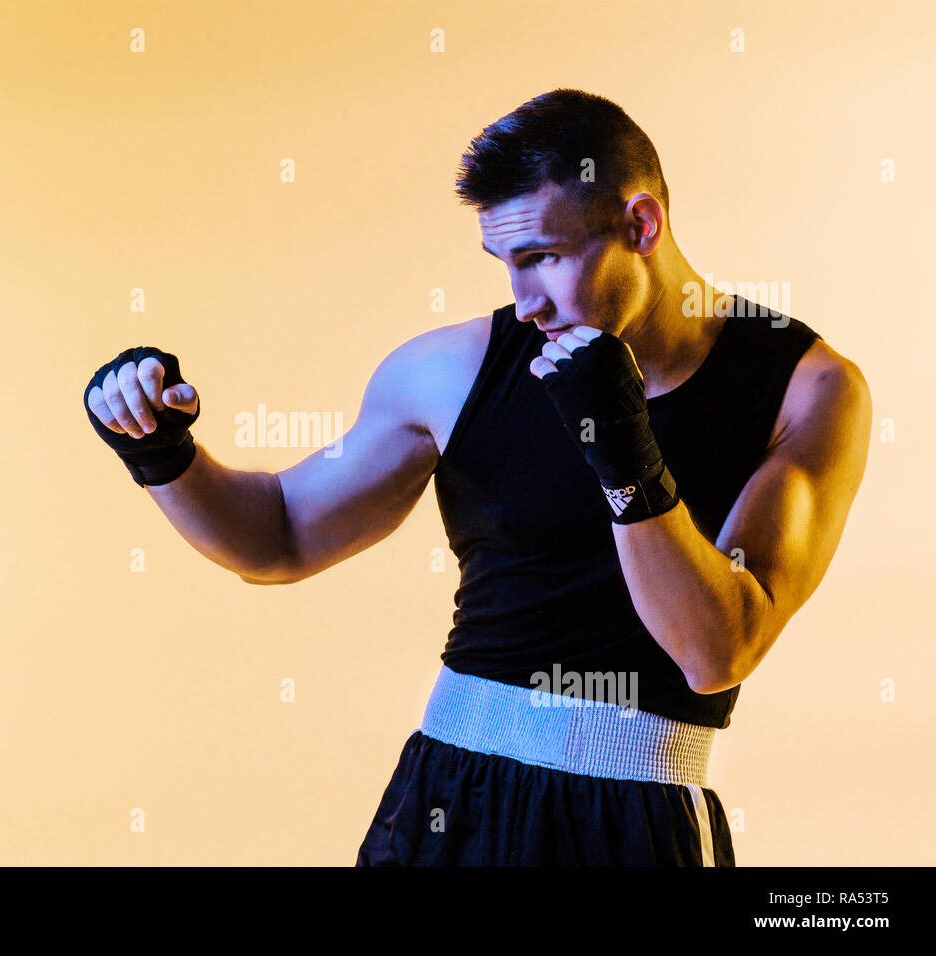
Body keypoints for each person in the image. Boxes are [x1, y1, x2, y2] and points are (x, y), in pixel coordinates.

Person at [83, 88, 873, 865]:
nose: (524, 301)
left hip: (640, 811)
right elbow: (280, 535)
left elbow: (716, 651)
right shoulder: (454, 369)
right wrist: (160, 451)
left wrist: (625, 452)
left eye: (543, 259)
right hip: (451, 799)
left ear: (641, 223)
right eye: (504, 263)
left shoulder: (805, 390)